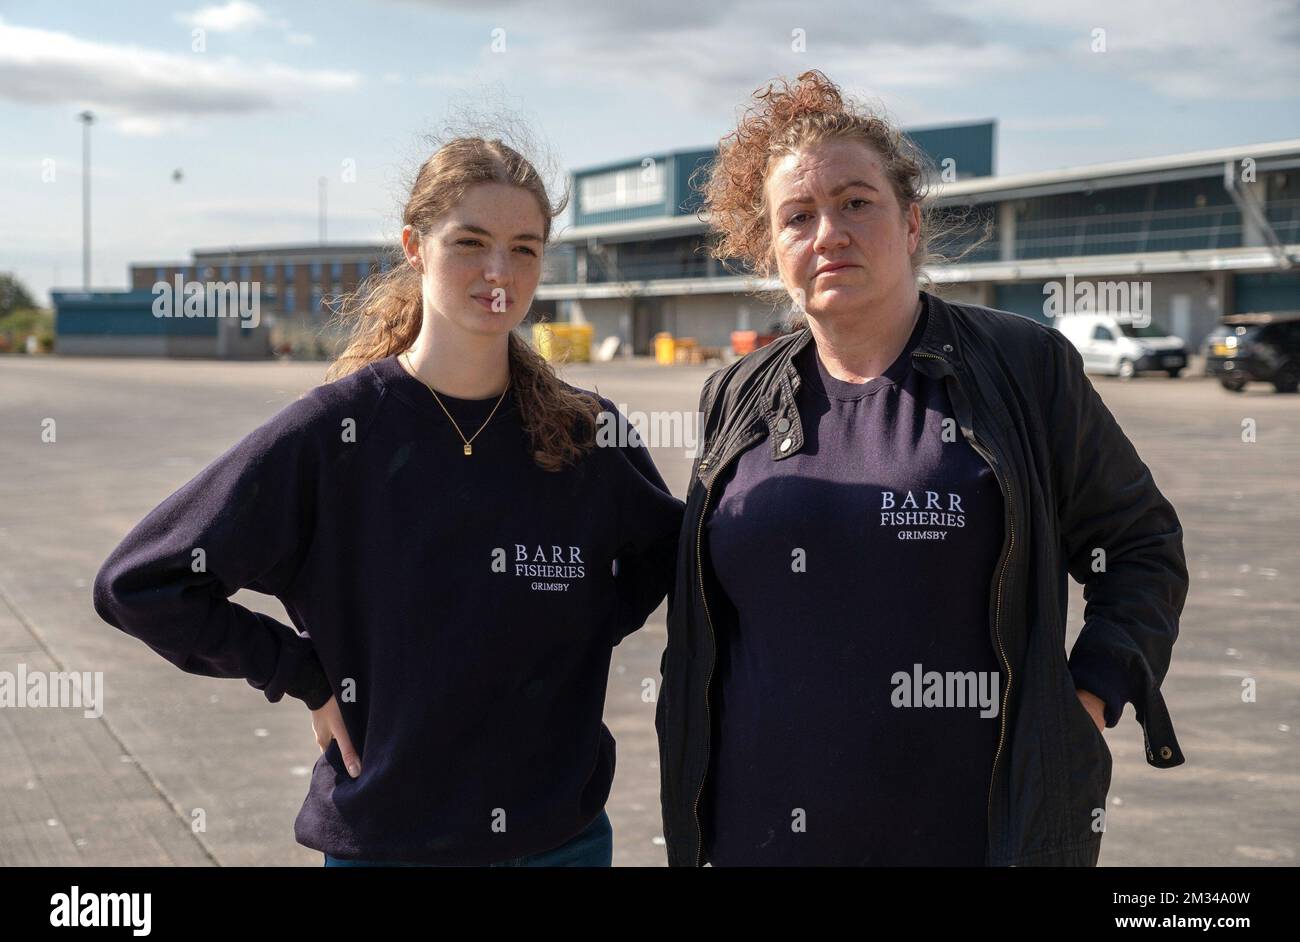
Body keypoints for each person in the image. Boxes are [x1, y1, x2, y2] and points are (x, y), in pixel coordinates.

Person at [92, 134, 684, 867]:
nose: (499, 270)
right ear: (415, 246)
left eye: (524, 248)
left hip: (557, 841)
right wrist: (299, 672)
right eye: (471, 242)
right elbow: (142, 582)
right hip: (388, 840)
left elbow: (672, 556)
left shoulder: (586, 433)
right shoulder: (334, 434)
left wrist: (564, 629)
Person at [654, 70, 1189, 867]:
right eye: (798, 217)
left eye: (856, 202)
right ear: (771, 251)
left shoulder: (1022, 366)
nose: (829, 231)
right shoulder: (737, 394)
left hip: (974, 832)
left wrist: (1091, 693)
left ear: (909, 224)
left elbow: (1139, 543)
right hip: (762, 830)